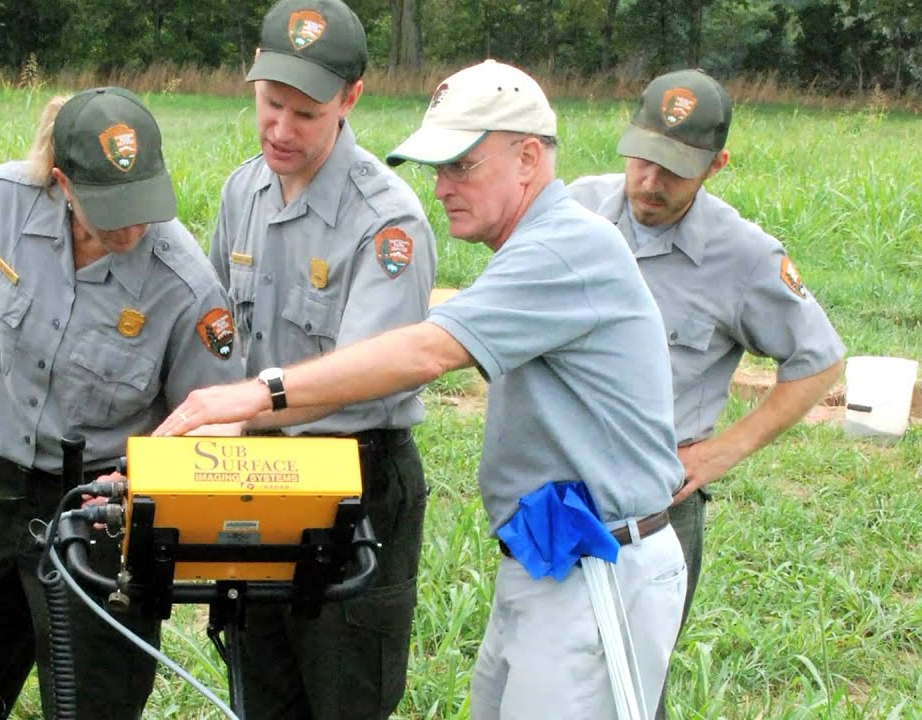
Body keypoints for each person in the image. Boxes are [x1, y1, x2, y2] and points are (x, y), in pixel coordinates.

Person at [158, 59, 689, 719]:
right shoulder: (544, 242)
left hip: (598, 565)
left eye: (462, 165)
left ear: (528, 158)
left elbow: (426, 349)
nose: (441, 189)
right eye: (438, 168)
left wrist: (252, 397)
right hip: (548, 556)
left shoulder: (564, 248)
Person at [0, 87, 246, 720]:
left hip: (104, 511)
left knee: (95, 700)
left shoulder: (185, 286)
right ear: (64, 183)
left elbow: (215, 425)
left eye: (142, 204)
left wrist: (143, 494)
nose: (130, 227)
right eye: (110, 210)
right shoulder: (5, 200)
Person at [567, 68, 846, 718]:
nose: (651, 183)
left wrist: (722, 451)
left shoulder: (742, 256)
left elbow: (819, 358)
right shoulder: (576, 210)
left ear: (717, 164)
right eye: (643, 159)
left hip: (653, 507)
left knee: (629, 695)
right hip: (555, 490)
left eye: (676, 169)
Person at [207, 1, 437, 716]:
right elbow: (214, 336)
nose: (280, 129)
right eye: (270, 104)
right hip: (255, 473)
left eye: (305, 113)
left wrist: (247, 408)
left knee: (343, 697)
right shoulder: (243, 191)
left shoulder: (386, 222)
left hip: (354, 484)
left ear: (351, 98)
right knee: (261, 689)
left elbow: (361, 377)